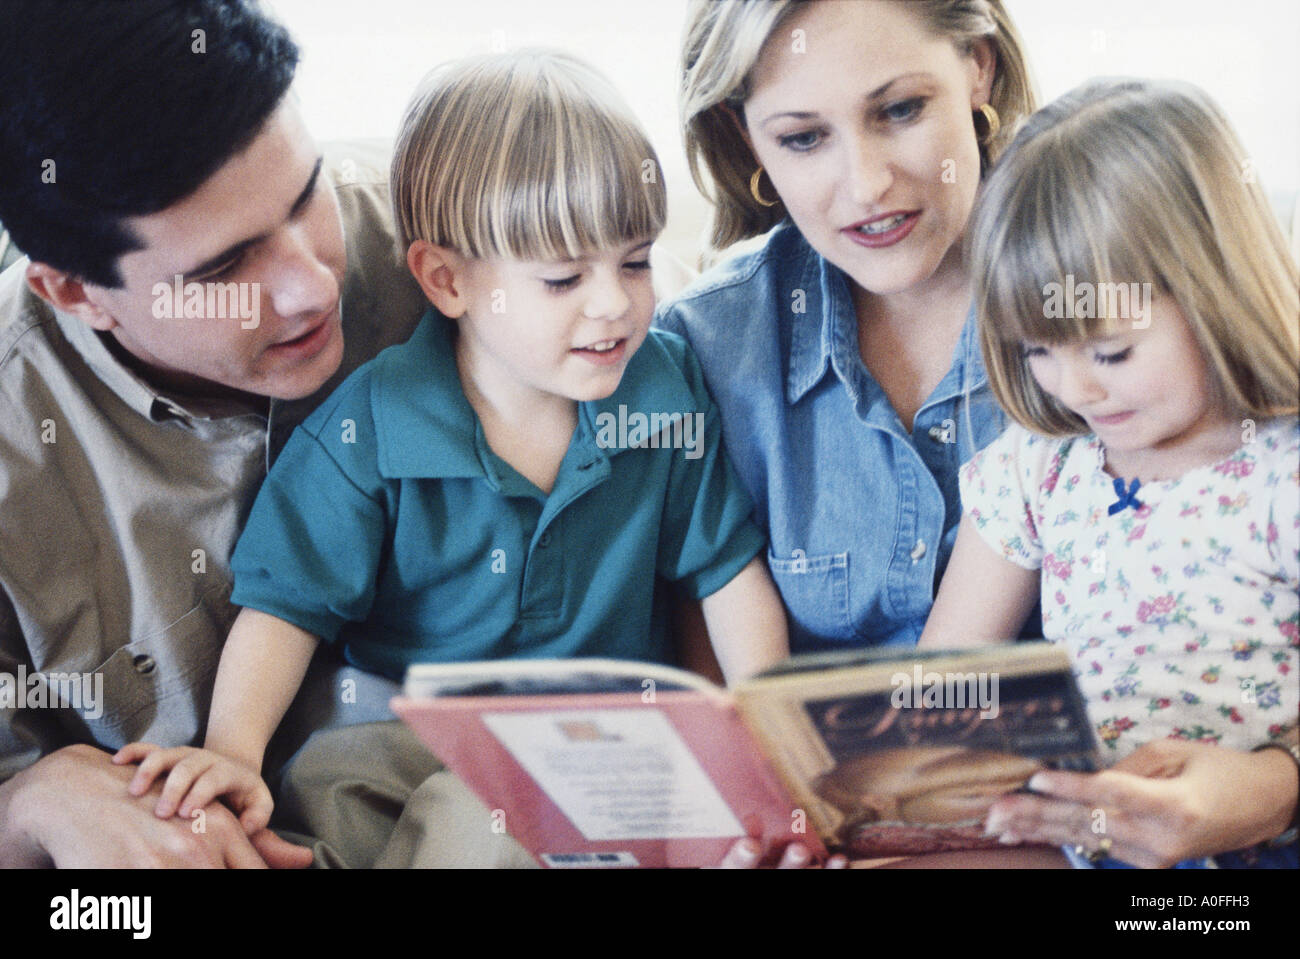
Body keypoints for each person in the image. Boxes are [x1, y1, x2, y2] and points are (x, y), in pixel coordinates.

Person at [114, 50, 789, 840]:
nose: (615, 304)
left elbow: (728, 572)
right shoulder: (368, 428)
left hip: (603, 751)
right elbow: (283, 610)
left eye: (636, 262)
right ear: (446, 281)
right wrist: (233, 749)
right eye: (563, 280)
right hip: (411, 743)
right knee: (342, 793)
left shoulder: (664, 389)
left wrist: (768, 741)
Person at [0, 0, 472, 868]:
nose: (311, 287)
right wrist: (32, 803)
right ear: (74, 292)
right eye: (223, 268)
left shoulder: (458, 248)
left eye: (306, 193)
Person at [919, 78, 1299, 868]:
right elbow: (943, 682)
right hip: (1076, 847)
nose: (1072, 388)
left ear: (1217, 291)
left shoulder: (1279, 472)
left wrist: (1269, 781)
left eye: (1110, 351)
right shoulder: (1041, 467)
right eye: (1036, 350)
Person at [657, 0, 1037, 653]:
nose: (866, 185)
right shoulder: (705, 348)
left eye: (900, 110)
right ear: (747, 135)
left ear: (978, 65)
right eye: (803, 138)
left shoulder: (1114, 297)